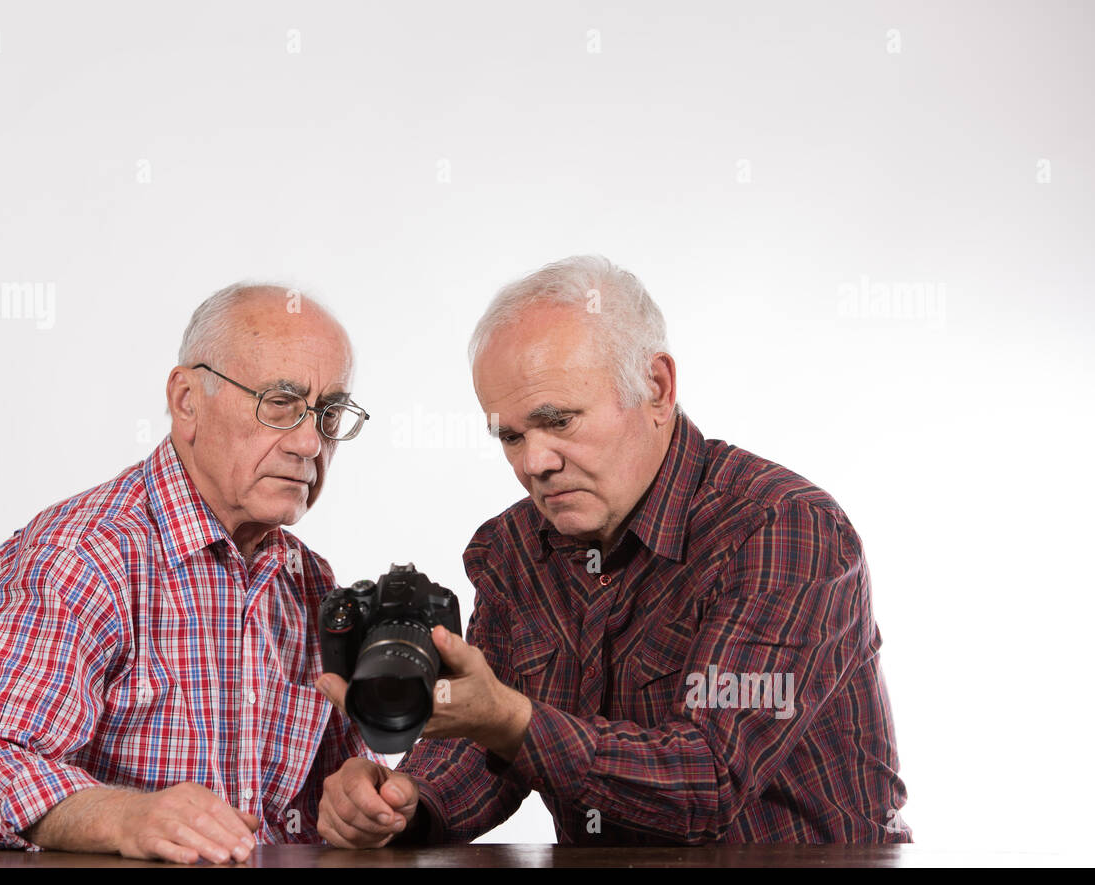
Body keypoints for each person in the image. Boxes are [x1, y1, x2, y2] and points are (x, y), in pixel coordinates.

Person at [315, 255, 912, 846]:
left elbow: (709, 781)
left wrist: (509, 718)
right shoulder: (511, 549)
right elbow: (484, 751)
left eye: (561, 422)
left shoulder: (779, 528)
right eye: (512, 435)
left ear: (656, 388)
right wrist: (401, 804)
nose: (534, 464)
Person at [0, 282, 379, 863]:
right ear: (187, 400)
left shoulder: (312, 582)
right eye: (281, 402)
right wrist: (124, 816)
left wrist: (359, 802)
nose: (311, 442)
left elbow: (335, 797)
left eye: (329, 413)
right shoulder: (84, 554)